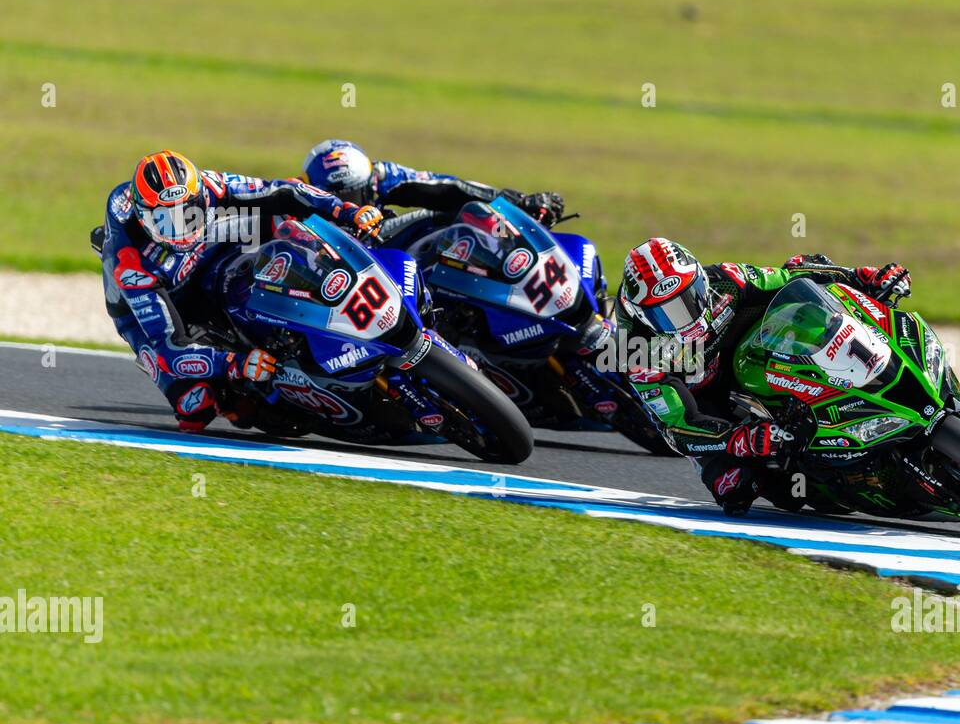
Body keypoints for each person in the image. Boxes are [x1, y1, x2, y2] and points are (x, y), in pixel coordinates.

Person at [614, 238, 911, 515]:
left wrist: (862, 276)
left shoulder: (727, 280)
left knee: (808, 298)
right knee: (737, 488)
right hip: (700, 398)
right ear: (640, 313)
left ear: (700, 281)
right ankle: (824, 473)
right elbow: (678, 427)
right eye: (666, 313)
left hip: (752, 352)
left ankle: (848, 393)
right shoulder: (635, 352)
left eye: (689, 299)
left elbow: (792, 275)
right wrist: (739, 439)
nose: (686, 316)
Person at [97, 149, 386, 431]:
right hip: (152, 296)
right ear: (141, 217)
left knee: (281, 215)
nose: (179, 228)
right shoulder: (131, 266)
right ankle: (242, 397)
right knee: (195, 408)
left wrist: (346, 211)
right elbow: (168, 350)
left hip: (205, 251)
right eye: (163, 221)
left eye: (188, 214)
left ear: (200, 197)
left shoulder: (209, 185)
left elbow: (283, 190)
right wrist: (236, 363)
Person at [300, 139, 565, 246]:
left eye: (354, 196)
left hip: (386, 252)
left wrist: (518, 202)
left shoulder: (381, 176)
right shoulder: (296, 199)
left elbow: (449, 188)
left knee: (445, 217)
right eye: (336, 196)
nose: (348, 205)